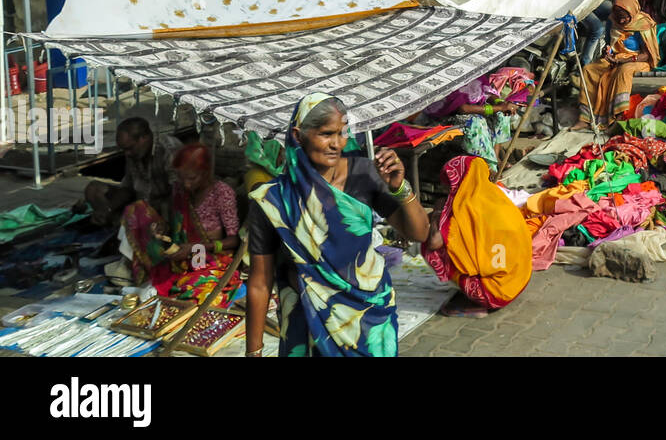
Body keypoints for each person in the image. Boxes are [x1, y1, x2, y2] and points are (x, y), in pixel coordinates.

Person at [244, 94, 431, 357]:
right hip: (308, 322)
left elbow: (419, 232)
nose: (337, 143)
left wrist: (400, 187)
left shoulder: (363, 174)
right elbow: (259, 282)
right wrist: (253, 352)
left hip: (368, 317)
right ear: (298, 136)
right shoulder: (273, 200)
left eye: (342, 133)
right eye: (326, 134)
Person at [121, 143, 242, 302]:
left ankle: (171, 280)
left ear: (205, 173)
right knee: (136, 211)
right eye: (181, 178)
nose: (186, 184)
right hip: (179, 252)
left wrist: (195, 248)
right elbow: (177, 223)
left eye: (192, 178)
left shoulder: (221, 193)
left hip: (206, 256)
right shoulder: (179, 188)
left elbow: (235, 240)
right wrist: (162, 227)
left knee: (197, 290)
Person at [421, 155, 533, 318]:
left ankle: (474, 302)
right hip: (517, 281)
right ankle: (477, 282)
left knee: (432, 248)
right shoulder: (495, 196)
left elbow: (434, 242)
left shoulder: (465, 208)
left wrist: (438, 210)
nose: (446, 188)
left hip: (496, 293)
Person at [578, 0, 660, 131]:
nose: (621, 20)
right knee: (589, 70)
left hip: (638, 60)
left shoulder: (644, 24)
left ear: (632, 11)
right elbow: (610, 43)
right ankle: (585, 118)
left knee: (623, 71)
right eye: (618, 16)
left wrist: (623, 61)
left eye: (624, 17)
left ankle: (618, 116)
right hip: (617, 58)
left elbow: (646, 55)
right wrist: (607, 52)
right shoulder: (612, 20)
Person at [83, 118, 182, 228]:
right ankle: (117, 222)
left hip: (164, 205)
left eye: (129, 148)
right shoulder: (134, 153)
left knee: (168, 205)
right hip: (141, 203)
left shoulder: (168, 149)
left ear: (144, 138)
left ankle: (129, 225)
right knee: (94, 190)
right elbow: (128, 188)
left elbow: (179, 192)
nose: (127, 154)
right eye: (124, 150)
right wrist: (108, 209)